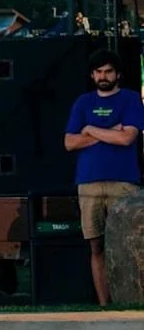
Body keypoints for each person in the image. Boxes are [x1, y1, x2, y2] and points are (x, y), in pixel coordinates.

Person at [64, 48, 144, 307]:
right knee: (96, 246)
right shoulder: (83, 102)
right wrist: (107, 131)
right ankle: (104, 305)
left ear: (118, 74)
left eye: (108, 71)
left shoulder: (131, 99)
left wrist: (89, 129)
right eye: (99, 71)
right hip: (88, 183)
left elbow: (127, 138)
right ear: (92, 74)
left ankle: (133, 300)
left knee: (130, 246)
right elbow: (69, 143)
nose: (103, 75)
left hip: (124, 182)